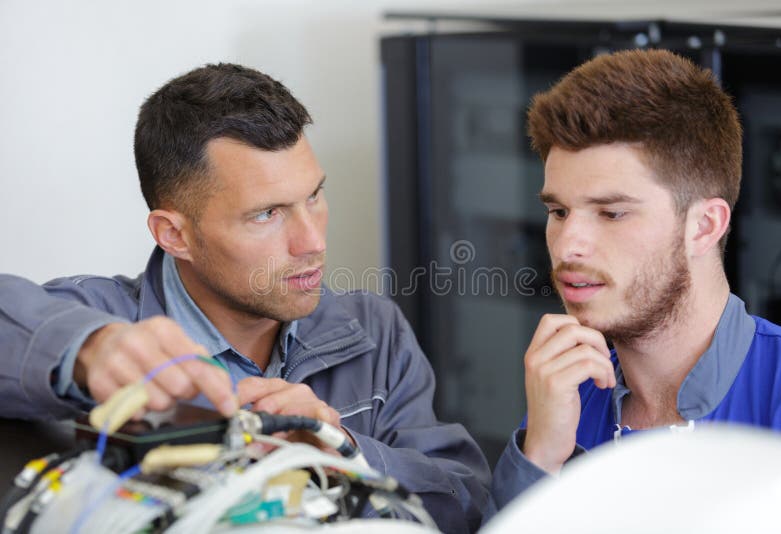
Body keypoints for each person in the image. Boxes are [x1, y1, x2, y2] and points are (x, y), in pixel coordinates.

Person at [0, 63, 490, 532]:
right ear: (174, 234)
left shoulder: (373, 329)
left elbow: (462, 507)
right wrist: (86, 349)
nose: (312, 242)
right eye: (267, 214)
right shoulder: (103, 321)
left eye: (314, 196)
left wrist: (338, 450)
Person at [491, 49, 781, 510]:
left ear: (704, 226)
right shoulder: (566, 399)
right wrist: (539, 459)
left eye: (611, 213)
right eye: (558, 211)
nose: (568, 243)